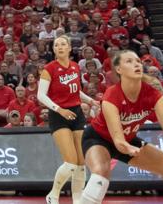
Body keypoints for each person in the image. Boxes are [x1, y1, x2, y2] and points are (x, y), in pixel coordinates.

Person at [79, 49, 163, 204]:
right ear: (119, 70)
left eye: (137, 61)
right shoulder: (111, 95)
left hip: (129, 141)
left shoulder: (154, 95)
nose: (136, 64)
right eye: (129, 61)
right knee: (101, 173)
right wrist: (128, 149)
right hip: (98, 138)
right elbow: (118, 140)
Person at [38, 35, 98, 204]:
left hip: (77, 113)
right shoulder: (49, 69)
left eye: (63, 44)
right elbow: (41, 95)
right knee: (70, 163)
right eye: (57, 45)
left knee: (81, 163)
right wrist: (59, 110)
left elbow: (76, 91)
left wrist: (90, 100)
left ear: (70, 47)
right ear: (54, 49)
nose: (60, 47)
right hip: (59, 115)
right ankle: (53, 194)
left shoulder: (74, 67)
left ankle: (78, 199)